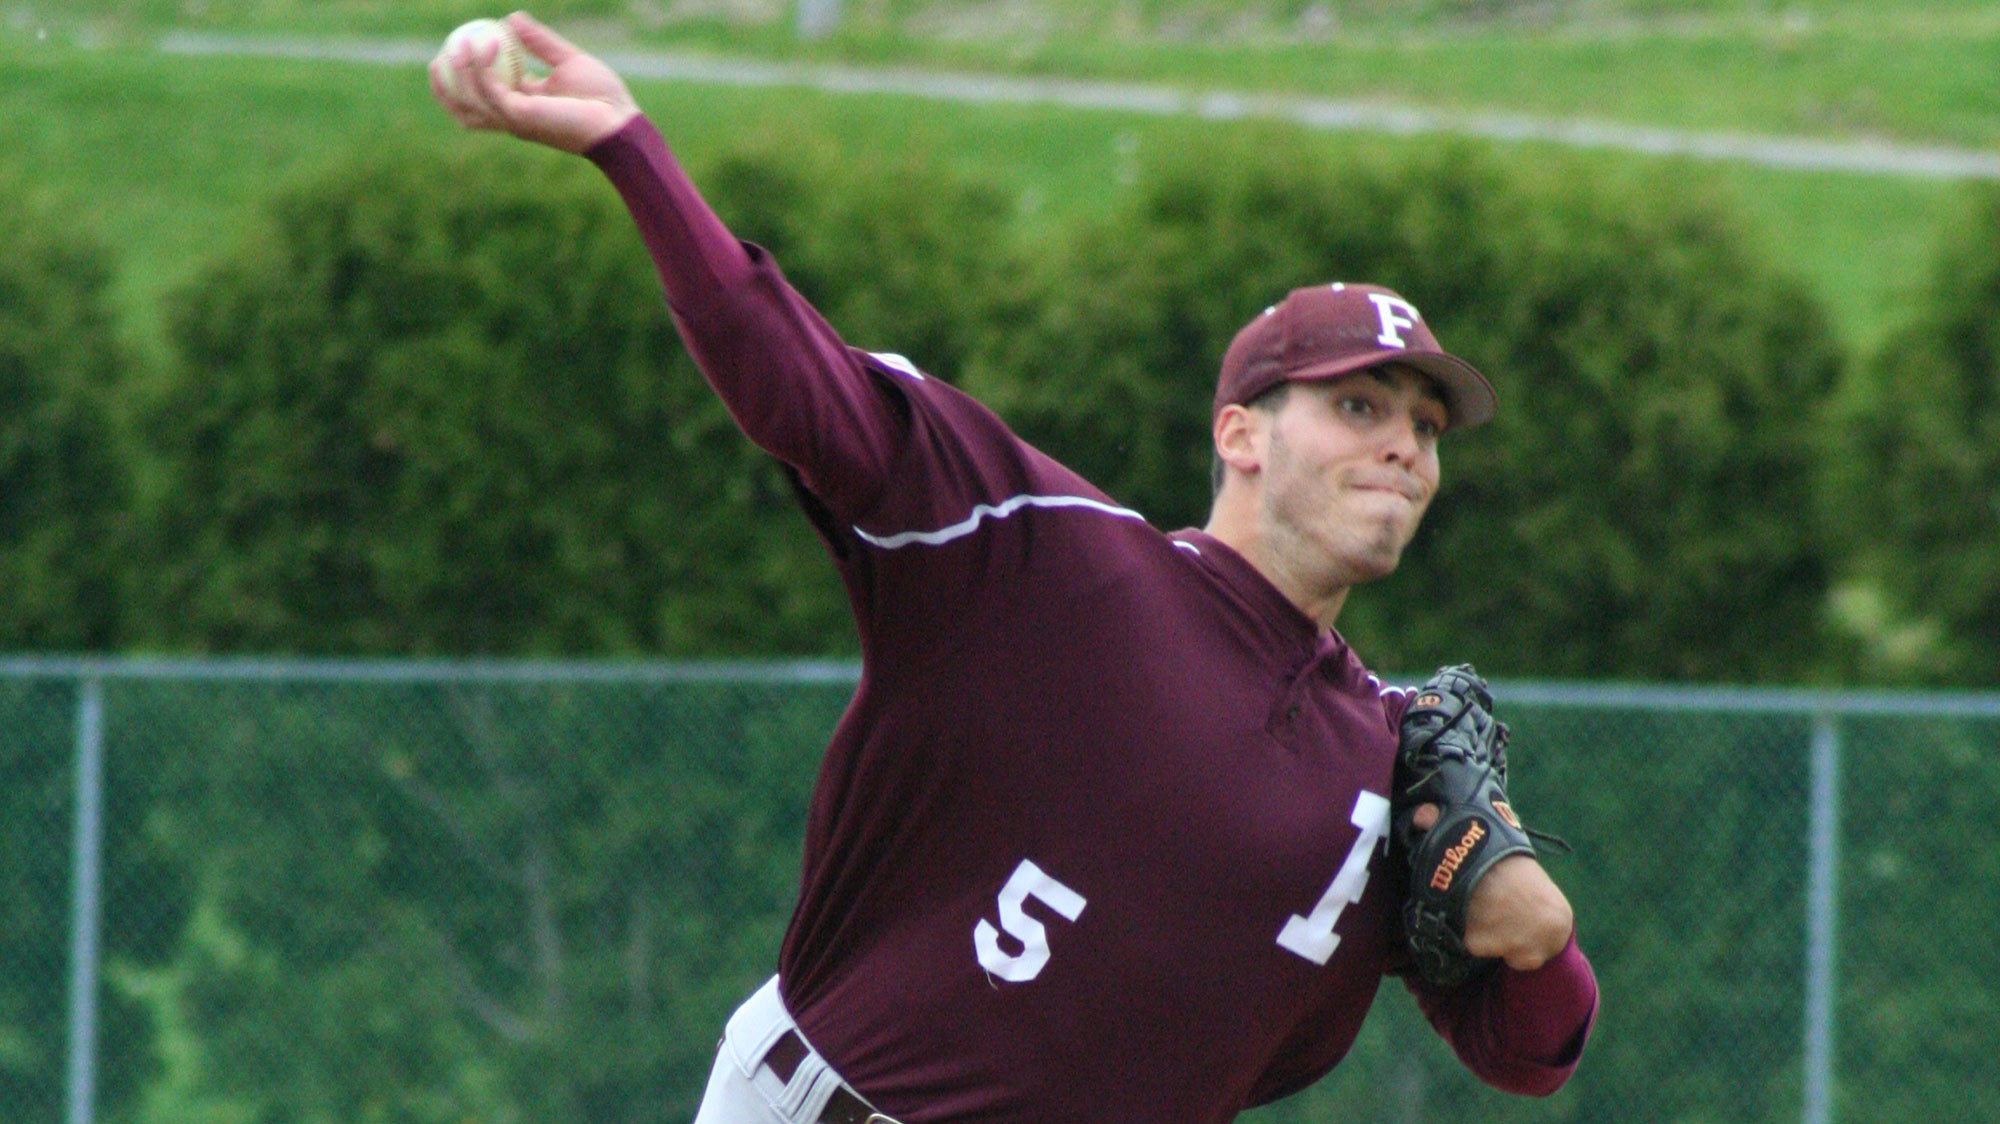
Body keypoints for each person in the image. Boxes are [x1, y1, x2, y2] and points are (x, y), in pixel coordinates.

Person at [432, 14, 1597, 1123]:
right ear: (1240, 433)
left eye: (1426, 426)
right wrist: (631, 153)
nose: (1402, 443)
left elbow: (1532, 1048)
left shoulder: (1389, 754)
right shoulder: (1053, 559)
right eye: (1356, 404)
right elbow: (799, 385)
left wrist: (1525, 912)